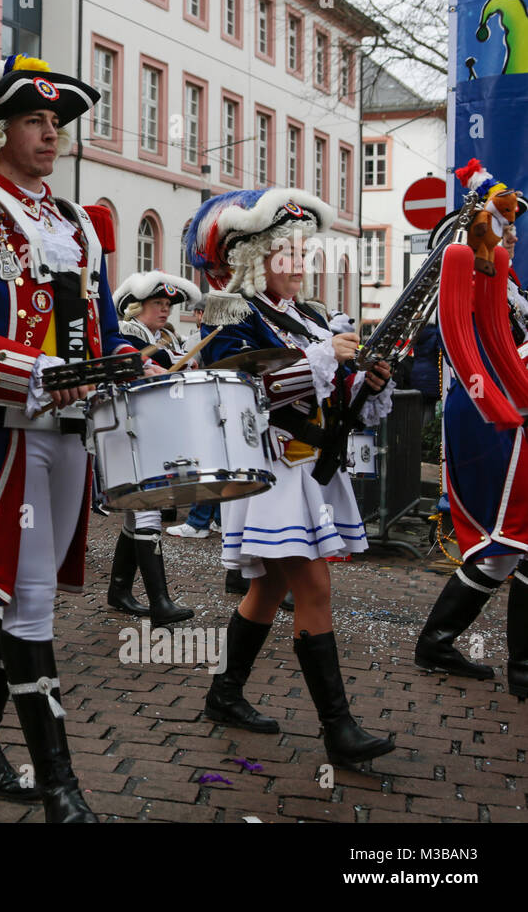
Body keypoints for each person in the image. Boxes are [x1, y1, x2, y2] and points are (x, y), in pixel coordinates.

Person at [0, 55, 159, 821]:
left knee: (29, 593)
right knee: (29, 604)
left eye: (57, 123)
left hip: (72, 430)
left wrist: (124, 358)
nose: (52, 134)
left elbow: (104, 328)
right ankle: (60, 785)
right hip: (9, 430)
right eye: (35, 121)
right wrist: (36, 369)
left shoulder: (78, 223)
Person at [189, 186, 397, 766]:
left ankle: (224, 692)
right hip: (270, 472)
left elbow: (330, 395)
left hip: (310, 470)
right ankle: (339, 730)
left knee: (268, 589)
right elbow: (242, 392)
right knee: (314, 588)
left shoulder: (308, 318)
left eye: (302, 252)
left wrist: (365, 382)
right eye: (287, 252)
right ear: (253, 258)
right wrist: (327, 358)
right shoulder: (229, 314)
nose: (300, 263)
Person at [415, 170, 528, 699]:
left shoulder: (506, 281)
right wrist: (503, 404)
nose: (512, 233)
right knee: (516, 535)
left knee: (506, 548)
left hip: (508, 406)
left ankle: (437, 641)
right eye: (504, 221)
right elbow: (470, 350)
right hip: (489, 413)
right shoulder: (467, 266)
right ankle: (521, 670)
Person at [103, 270, 200, 625]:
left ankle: (120, 590)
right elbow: (133, 372)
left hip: (151, 430)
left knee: (137, 511)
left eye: (167, 305)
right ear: (137, 306)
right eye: (157, 303)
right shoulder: (130, 335)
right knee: (149, 508)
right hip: (131, 430)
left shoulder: (165, 338)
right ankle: (160, 601)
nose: (164, 310)